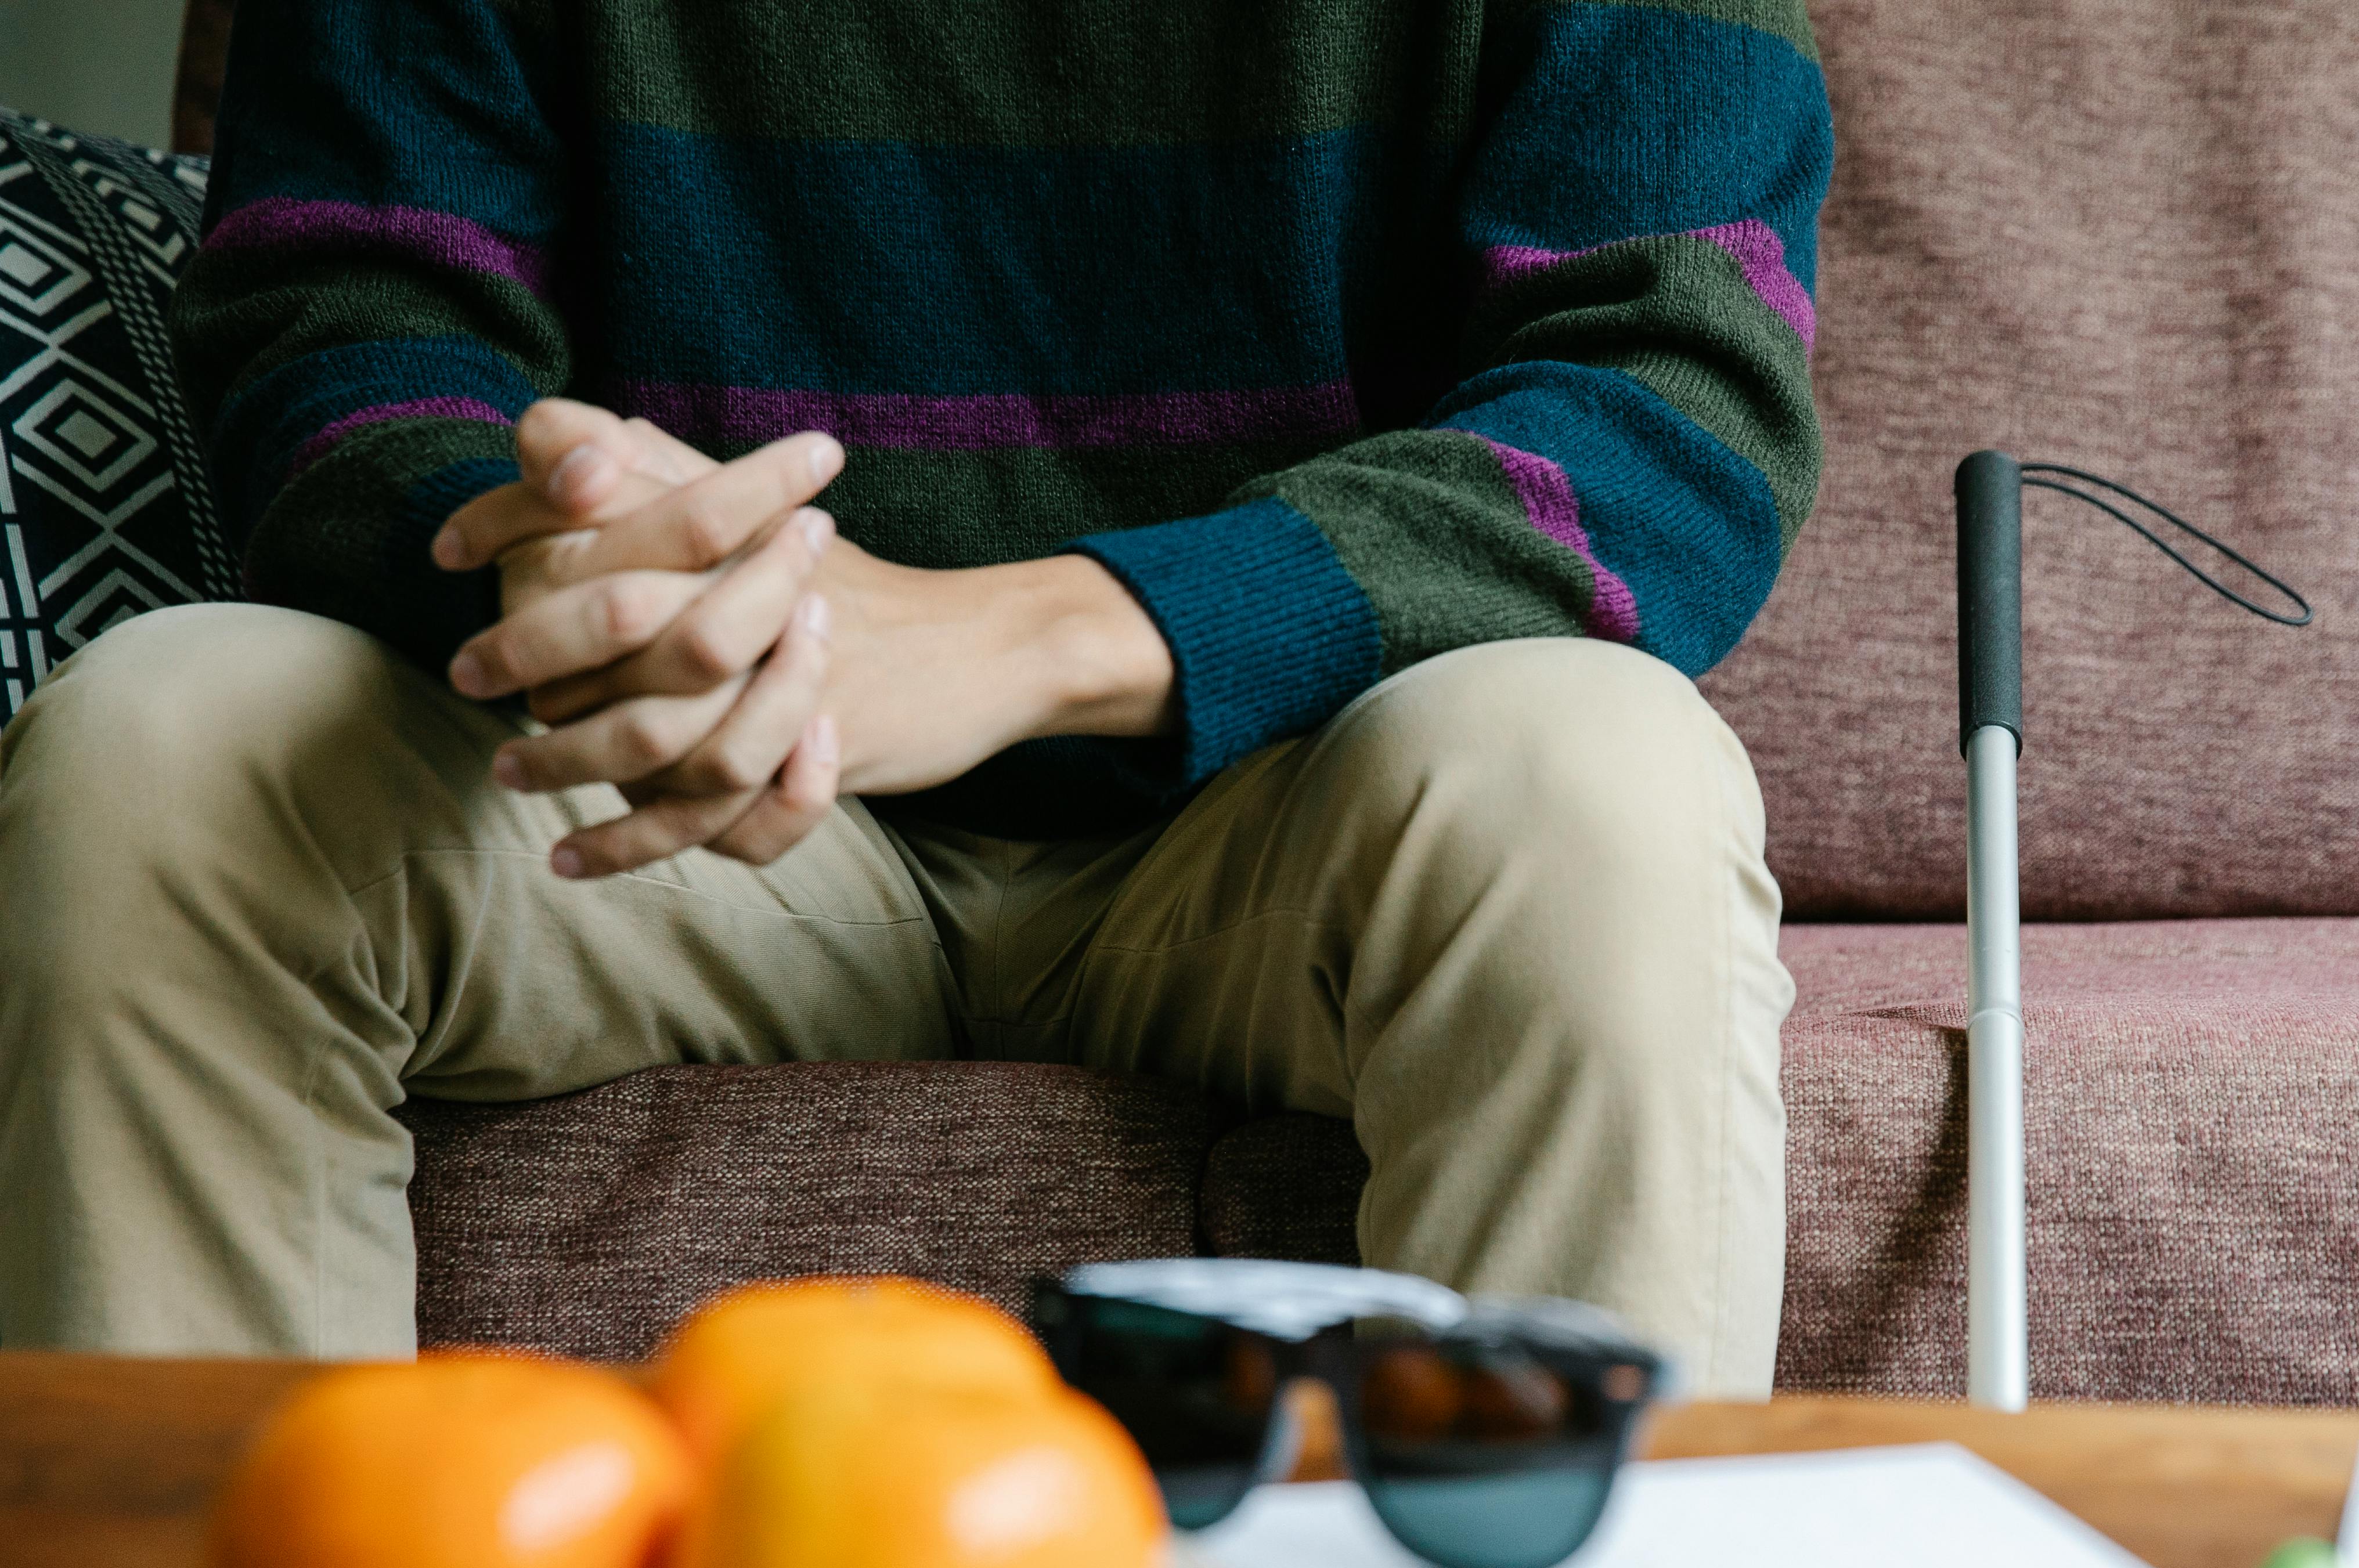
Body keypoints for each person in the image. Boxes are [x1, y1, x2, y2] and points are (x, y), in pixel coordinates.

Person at [0, 0, 1829, 1396]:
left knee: (1602, 779)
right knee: (165, 741)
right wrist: (544, 546)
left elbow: (1667, 402)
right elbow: (341, 309)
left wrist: (1031, 635)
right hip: (670, 802)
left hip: (1299, 809)